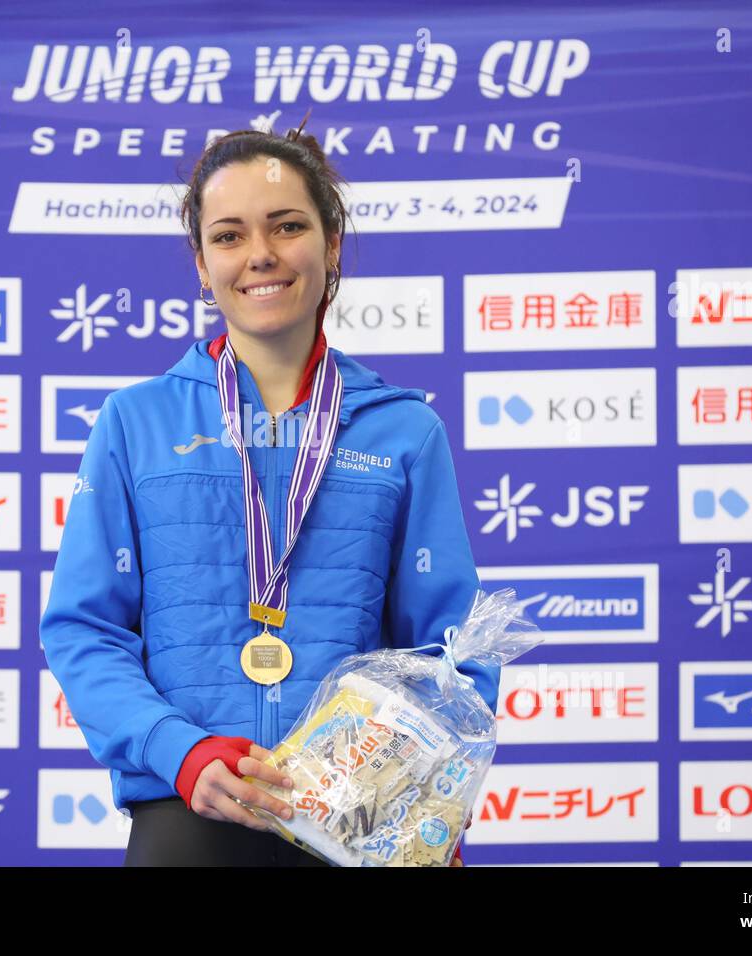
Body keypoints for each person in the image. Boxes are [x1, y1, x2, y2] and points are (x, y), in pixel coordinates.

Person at [40, 115, 498, 867]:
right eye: (228, 235)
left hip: (360, 826)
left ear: (332, 246)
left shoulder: (404, 432)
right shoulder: (136, 422)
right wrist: (178, 751)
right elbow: (83, 631)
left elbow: (453, 648)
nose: (260, 255)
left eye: (286, 226)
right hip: (188, 814)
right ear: (201, 262)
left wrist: (430, 790)